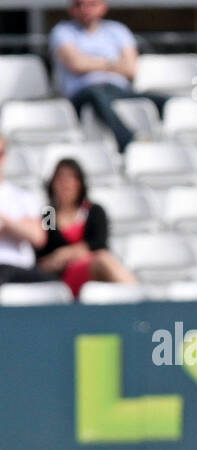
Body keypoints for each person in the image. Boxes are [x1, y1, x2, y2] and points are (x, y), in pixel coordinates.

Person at [49, 0, 169, 152]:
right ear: (71, 8)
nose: (85, 9)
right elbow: (76, 64)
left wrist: (91, 63)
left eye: (91, 4)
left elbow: (131, 69)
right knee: (97, 94)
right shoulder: (62, 31)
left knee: (168, 101)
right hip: (82, 95)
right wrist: (113, 64)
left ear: (103, 7)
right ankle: (129, 141)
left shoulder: (117, 30)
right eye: (79, 4)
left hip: (117, 91)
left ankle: (167, 145)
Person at [36, 157, 137, 297]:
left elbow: (99, 244)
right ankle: (139, 299)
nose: (65, 185)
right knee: (102, 260)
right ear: (52, 184)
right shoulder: (49, 215)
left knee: (103, 260)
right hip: (64, 279)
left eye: (70, 179)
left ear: (80, 183)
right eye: (60, 179)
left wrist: (67, 253)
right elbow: (45, 254)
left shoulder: (93, 211)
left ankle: (138, 298)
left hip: (94, 272)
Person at [0, 135, 58, 286]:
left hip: (20, 270)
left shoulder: (26, 197)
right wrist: (19, 225)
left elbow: (39, 237)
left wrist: (5, 220)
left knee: (56, 286)